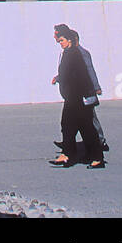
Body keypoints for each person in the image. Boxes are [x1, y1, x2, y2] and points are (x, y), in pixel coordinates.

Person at [49, 27, 105, 168]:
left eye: (61, 40)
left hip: (78, 98)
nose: (59, 42)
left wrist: (94, 88)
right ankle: (68, 155)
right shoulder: (69, 53)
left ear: (69, 40)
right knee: (68, 126)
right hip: (73, 97)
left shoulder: (75, 53)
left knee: (85, 128)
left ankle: (96, 157)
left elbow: (84, 73)